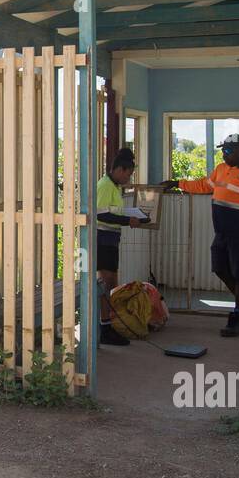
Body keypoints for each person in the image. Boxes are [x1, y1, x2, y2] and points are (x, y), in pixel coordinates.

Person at [160, 133, 239, 336]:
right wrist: (177, 183)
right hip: (222, 231)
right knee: (220, 268)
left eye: (228, 151)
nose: (224, 154)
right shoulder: (221, 170)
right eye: (223, 150)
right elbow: (204, 185)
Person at [95, 147, 143, 346]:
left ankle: (106, 324)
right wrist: (126, 220)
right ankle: (104, 328)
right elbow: (100, 214)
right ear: (120, 169)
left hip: (111, 240)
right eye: (129, 175)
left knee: (111, 283)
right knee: (106, 284)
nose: (128, 179)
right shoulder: (105, 185)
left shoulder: (114, 187)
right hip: (102, 240)